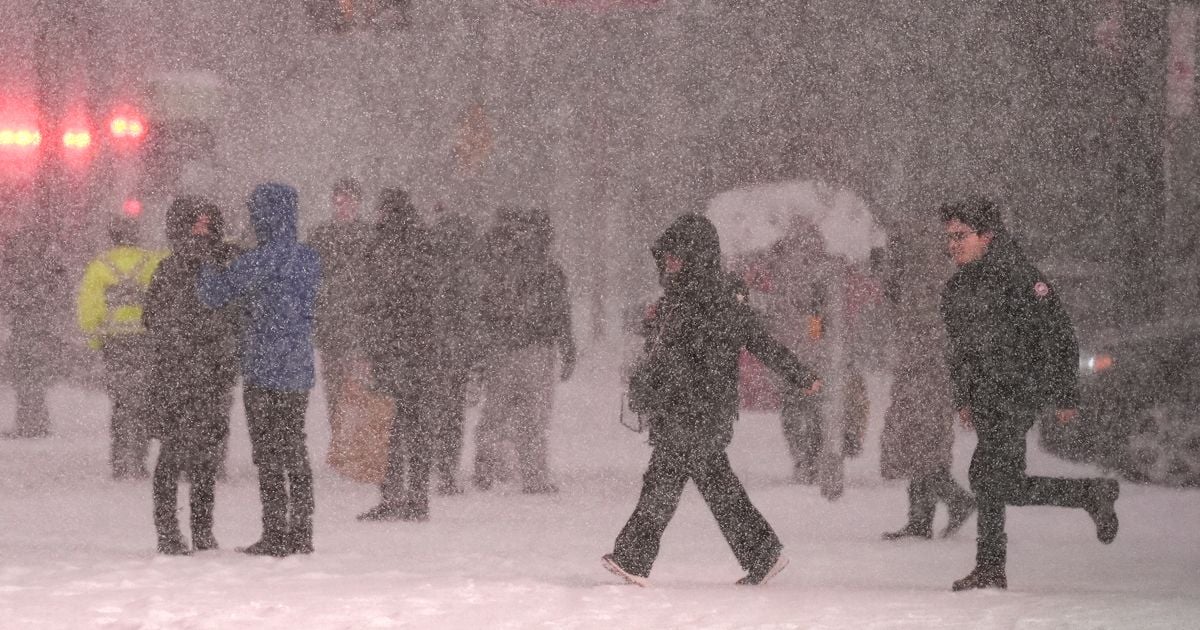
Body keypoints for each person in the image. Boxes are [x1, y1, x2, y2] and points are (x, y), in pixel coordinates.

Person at [602, 213, 820, 587]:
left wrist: (799, 375)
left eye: (676, 256)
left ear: (696, 256)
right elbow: (668, 351)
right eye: (666, 256)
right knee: (714, 485)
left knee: (665, 482)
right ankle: (762, 553)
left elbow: (758, 342)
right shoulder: (682, 296)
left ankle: (634, 558)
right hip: (686, 409)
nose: (669, 263)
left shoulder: (716, 300)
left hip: (698, 410)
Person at [938, 195, 1119, 591]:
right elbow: (962, 351)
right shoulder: (957, 289)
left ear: (987, 235)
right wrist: (965, 396)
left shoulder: (1019, 277)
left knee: (987, 478)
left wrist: (1064, 393)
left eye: (961, 236)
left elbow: (1058, 335)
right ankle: (1089, 494)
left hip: (1017, 390)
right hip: (987, 394)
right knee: (999, 481)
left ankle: (991, 566)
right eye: (948, 237)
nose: (952, 244)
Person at [198, 183, 321, 556]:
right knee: (296, 448)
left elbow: (213, 295)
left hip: (263, 367)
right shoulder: (308, 259)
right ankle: (302, 531)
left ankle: (274, 531)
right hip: (298, 367)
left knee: (268, 453)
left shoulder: (256, 261)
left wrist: (207, 260)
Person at [143, 197, 240, 555]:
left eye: (207, 224)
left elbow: (235, 318)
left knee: (206, 456)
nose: (202, 231)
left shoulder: (221, 267)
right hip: (178, 377)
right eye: (195, 224)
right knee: (172, 453)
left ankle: (202, 529)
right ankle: (168, 530)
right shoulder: (169, 271)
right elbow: (154, 320)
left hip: (211, 376)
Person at [879, 226, 975, 540]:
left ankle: (951, 503)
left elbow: (929, 329)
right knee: (921, 446)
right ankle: (921, 519)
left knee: (919, 444)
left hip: (927, 373)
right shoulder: (925, 278)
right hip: (924, 371)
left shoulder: (928, 281)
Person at [474, 208, 576, 494]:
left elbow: (485, 309)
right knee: (532, 417)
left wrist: (484, 347)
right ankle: (533, 477)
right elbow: (561, 314)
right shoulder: (549, 269)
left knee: (494, 413)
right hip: (536, 350)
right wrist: (567, 348)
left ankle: (485, 469)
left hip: (502, 349)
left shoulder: (501, 266)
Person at [357, 188, 439, 521]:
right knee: (416, 425)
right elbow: (434, 298)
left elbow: (374, 301)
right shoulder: (423, 245)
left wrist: (370, 346)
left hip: (392, 350)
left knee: (389, 425)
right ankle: (417, 498)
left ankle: (393, 496)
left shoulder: (381, 247)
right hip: (420, 348)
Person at [759, 216, 852, 498]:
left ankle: (806, 459)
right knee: (803, 408)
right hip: (804, 353)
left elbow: (813, 314)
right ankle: (808, 459)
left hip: (797, 353)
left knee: (797, 408)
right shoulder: (813, 268)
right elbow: (822, 316)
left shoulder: (790, 268)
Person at [76, 214, 167, 478]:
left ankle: (119, 460)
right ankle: (139, 459)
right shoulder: (152, 262)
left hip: (114, 343)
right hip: (146, 341)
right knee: (145, 400)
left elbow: (89, 307)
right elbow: (163, 300)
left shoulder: (100, 266)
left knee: (121, 401)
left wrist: (95, 339)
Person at [307, 177, 374, 459]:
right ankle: (341, 445)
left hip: (360, 329)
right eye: (339, 199)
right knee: (335, 392)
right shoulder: (320, 236)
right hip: (331, 329)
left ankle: (358, 447)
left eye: (349, 199)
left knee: (359, 390)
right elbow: (310, 281)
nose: (343, 205)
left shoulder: (370, 236)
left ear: (358, 203)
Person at [427, 211, 481, 495]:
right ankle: (446, 468)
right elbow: (472, 316)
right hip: (455, 352)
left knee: (436, 411)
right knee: (451, 414)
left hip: (435, 351)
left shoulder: (431, 267)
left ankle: (438, 466)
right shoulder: (467, 272)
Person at [0, 222, 68, 439]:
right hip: (40, 330)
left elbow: (7, 296)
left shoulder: (16, 267)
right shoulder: (48, 265)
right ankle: (36, 422)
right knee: (34, 377)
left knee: (25, 377)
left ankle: (30, 423)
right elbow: (60, 292)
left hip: (25, 329)